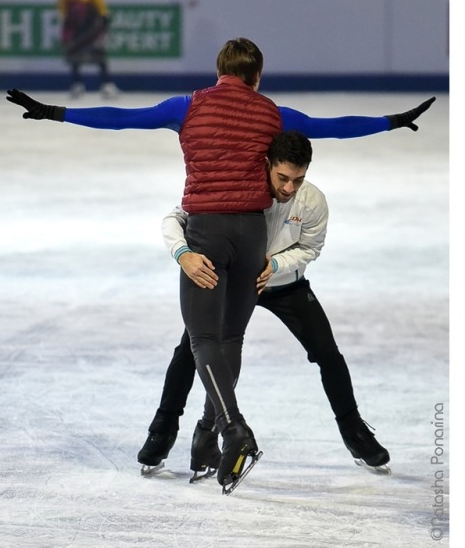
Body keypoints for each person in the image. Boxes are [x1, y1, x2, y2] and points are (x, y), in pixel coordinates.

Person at [6, 37, 434, 489]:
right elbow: (333, 126)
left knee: (202, 341)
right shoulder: (272, 116)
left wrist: (55, 111)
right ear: (257, 77)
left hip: (226, 243)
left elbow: (122, 119)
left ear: (218, 72)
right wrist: (391, 121)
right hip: (249, 240)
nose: (289, 185)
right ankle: (185, 435)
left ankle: (220, 431)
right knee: (212, 343)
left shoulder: (188, 106)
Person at [138, 132, 390, 482]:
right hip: (229, 285)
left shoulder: (312, 201)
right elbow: (176, 217)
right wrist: (183, 253)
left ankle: (354, 431)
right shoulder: (235, 185)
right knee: (191, 351)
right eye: (282, 178)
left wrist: (276, 265)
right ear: (267, 165)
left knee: (327, 352)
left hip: (285, 286)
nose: (289, 188)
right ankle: (162, 432)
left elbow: (310, 248)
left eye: (298, 180)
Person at [58, 0, 119, 98]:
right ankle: (76, 83)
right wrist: (65, 15)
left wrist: (102, 13)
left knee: (98, 49)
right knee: (75, 48)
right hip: (73, 14)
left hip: (91, 13)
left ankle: (107, 83)